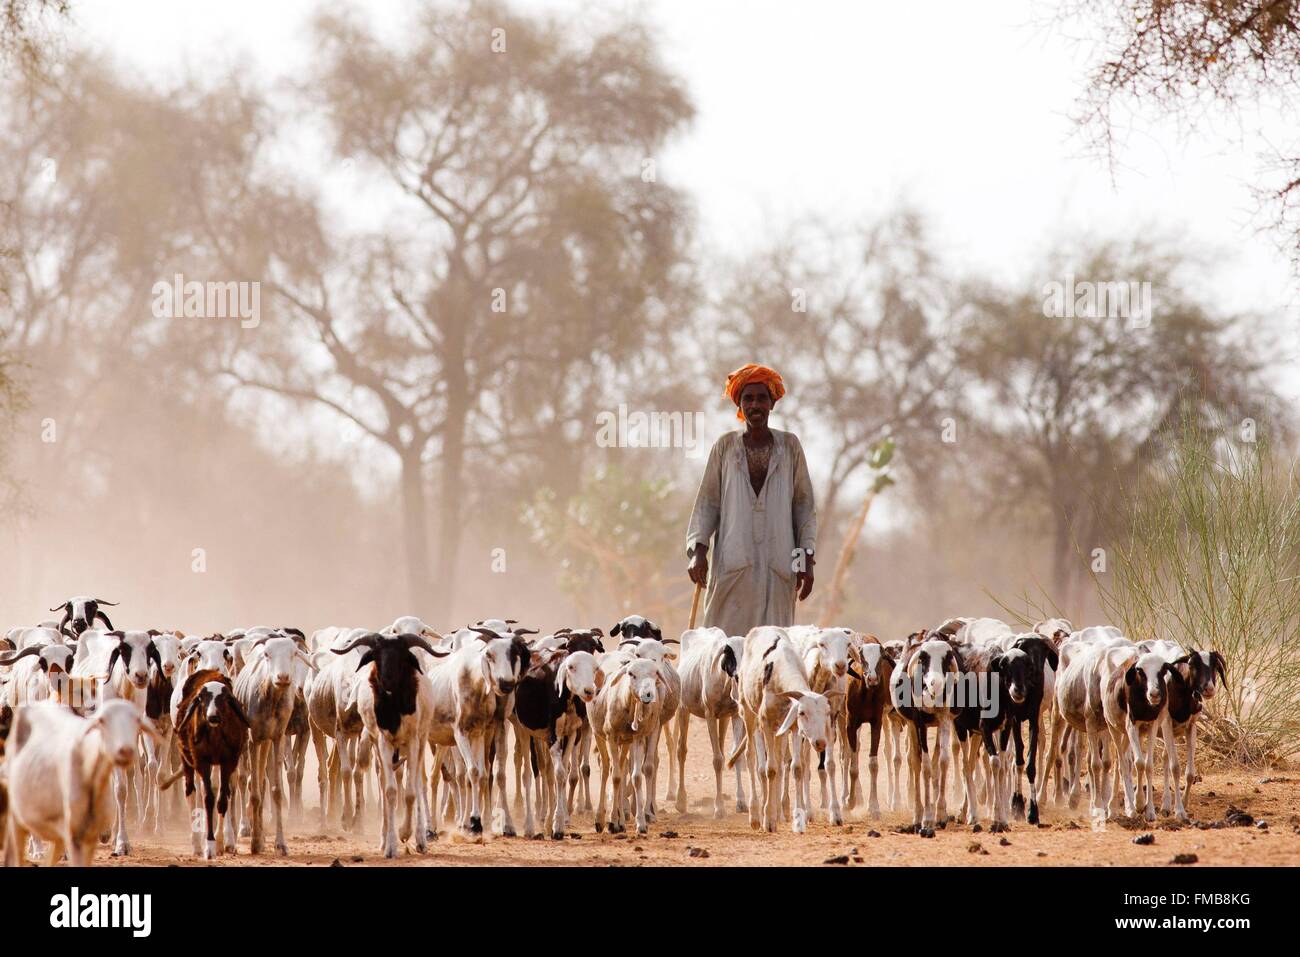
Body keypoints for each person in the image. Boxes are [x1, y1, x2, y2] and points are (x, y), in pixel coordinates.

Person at [685, 363, 818, 637]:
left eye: (761, 398)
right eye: (748, 398)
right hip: (732, 565)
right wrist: (698, 552)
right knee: (722, 651)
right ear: (740, 405)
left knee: (773, 652)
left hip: (779, 565)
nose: (755, 404)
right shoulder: (725, 447)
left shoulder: (789, 446)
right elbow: (708, 503)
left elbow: (803, 507)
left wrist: (806, 560)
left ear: (771, 403)